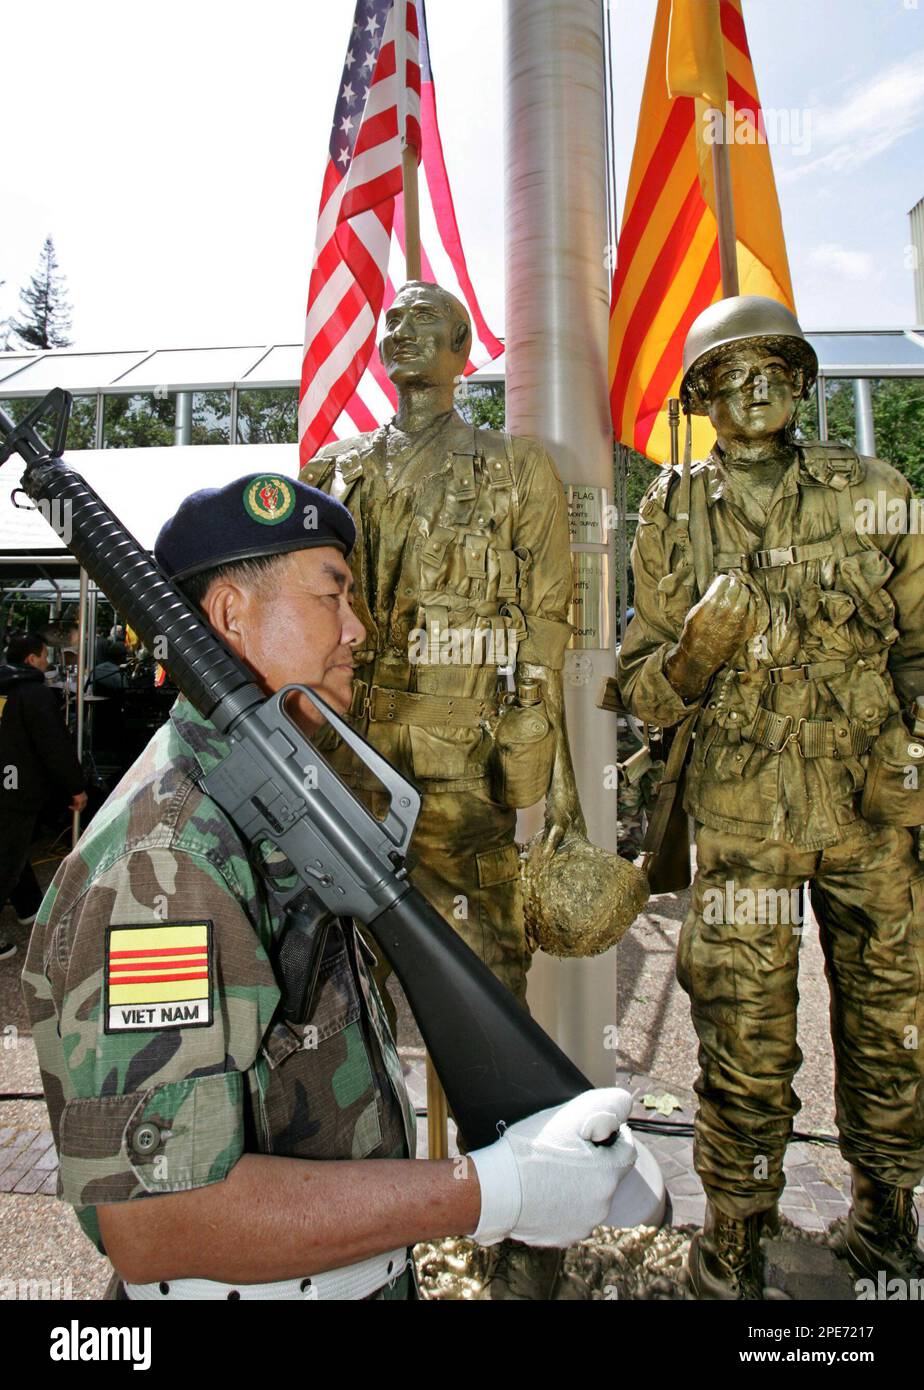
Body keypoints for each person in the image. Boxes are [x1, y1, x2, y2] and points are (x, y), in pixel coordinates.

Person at [22, 472, 636, 1301]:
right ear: (230, 617)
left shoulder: (268, 794)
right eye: (332, 595)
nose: (358, 629)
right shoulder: (163, 862)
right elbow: (159, 1220)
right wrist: (489, 1190)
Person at [617, 295, 924, 1299]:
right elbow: (640, 687)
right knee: (744, 1040)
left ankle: (886, 1227)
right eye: (727, 372)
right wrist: (696, 651)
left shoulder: (874, 489)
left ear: (799, 381)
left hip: (871, 819)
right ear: (701, 396)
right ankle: (736, 1245)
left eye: (771, 368)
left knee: (893, 1026)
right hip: (743, 823)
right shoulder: (671, 510)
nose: (751, 387)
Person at [300, 281, 584, 1017]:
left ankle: (499, 1122)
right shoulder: (333, 469)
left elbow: (550, 608)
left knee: (485, 981)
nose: (400, 330)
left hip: (461, 762)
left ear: (462, 350)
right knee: (335, 983)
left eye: (424, 319)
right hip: (345, 756)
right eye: (392, 321)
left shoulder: (514, 465)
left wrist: (532, 716)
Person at [0, 632, 86, 960]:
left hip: (8, 785)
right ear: (32, 659)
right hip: (17, 792)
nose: (48, 660)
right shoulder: (34, 695)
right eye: (44, 654)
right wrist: (75, 787)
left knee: (12, 850)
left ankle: (28, 905)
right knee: (7, 856)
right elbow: (54, 747)